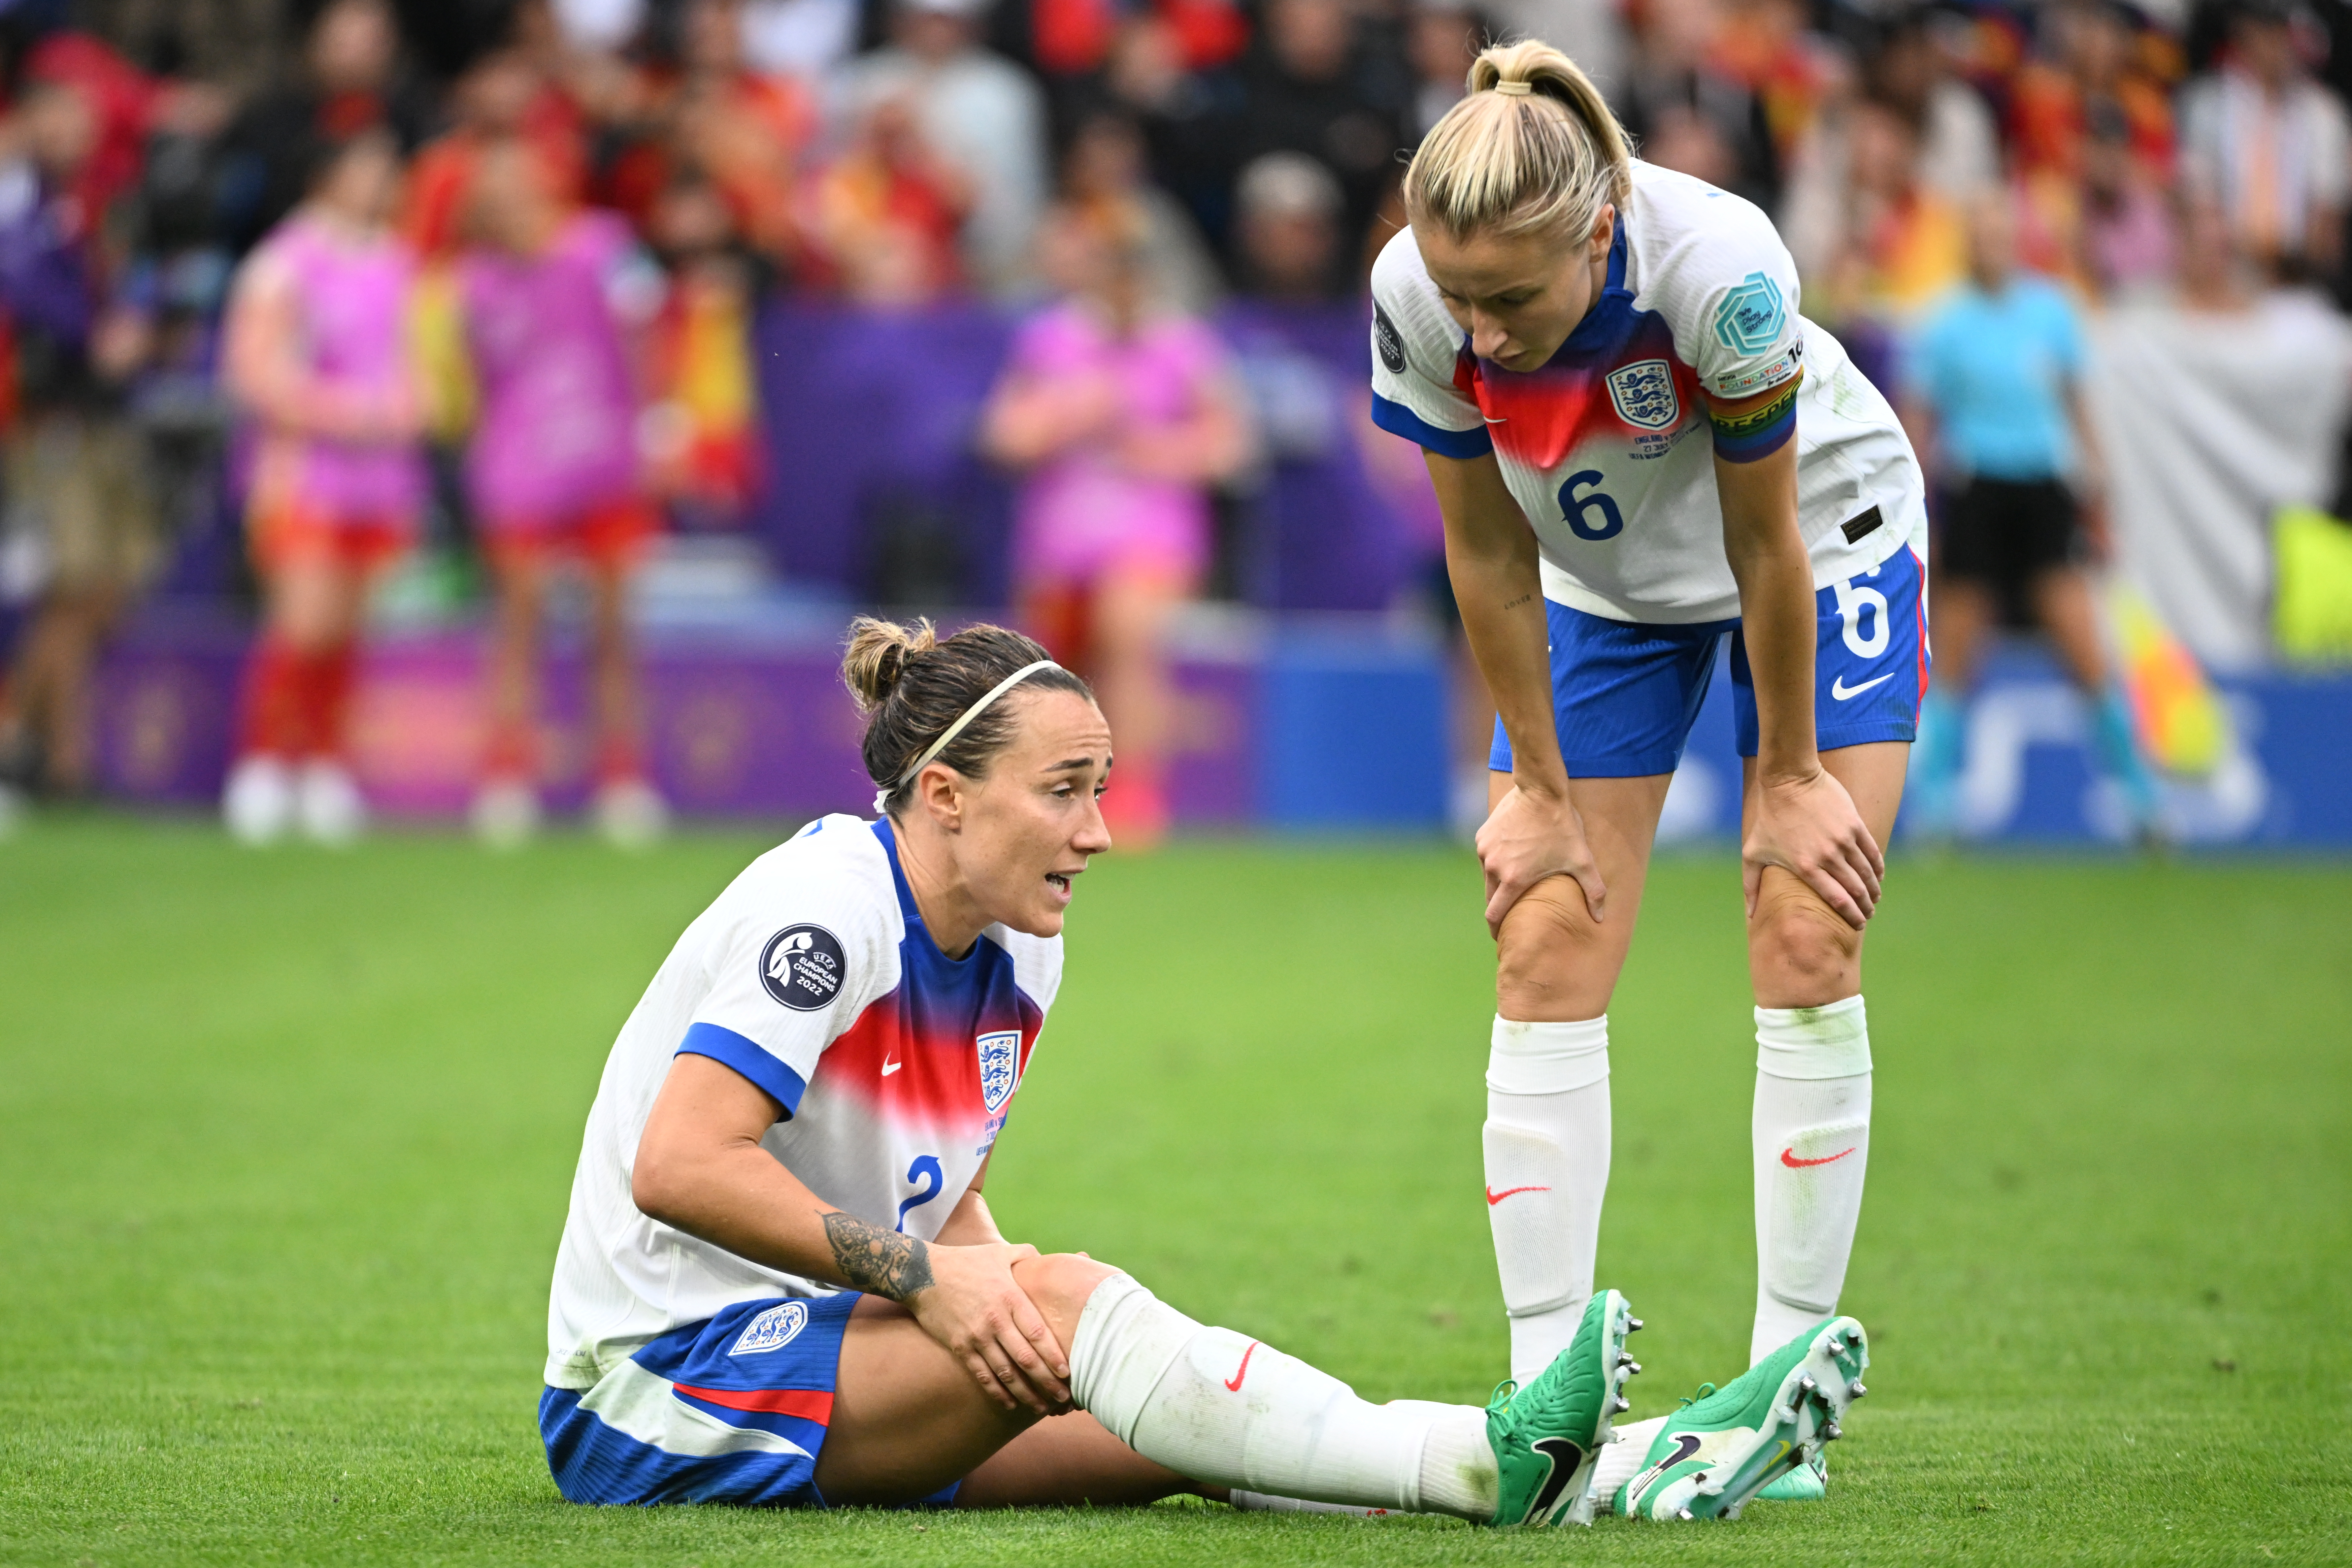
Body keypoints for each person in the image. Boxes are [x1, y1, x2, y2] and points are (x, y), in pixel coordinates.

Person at [538, 615, 1872, 1522]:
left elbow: (943, 1200)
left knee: (1161, 1420)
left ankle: (1620, 1470)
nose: (1100, 832)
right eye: (1065, 789)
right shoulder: (829, 904)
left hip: (819, 1351)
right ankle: (1508, 1456)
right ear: (944, 794)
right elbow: (680, 1165)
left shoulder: (1020, 943)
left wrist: (988, 1284)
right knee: (1079, 1320)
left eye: (1103, 788)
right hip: (656, 1390)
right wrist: (954, 1286)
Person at [1367, 39, 1918, 1508]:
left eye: (1512, 299)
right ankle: (1549, 1405)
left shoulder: (1720, 269)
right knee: (1543, 933)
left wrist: (1787, 769)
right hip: (1602, 588)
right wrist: (1538, 792)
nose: (1475, 332)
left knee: (1807, 915)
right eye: (1457, 297)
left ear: (1598, 227)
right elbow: (1483, 551)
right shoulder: (1413, 292)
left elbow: (1767, 547)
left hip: (1823, 541)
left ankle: (1780, 1405)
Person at [978, 205, 1252, 846]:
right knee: (1050, 667)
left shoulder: (1185, 347)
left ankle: (1133, 791)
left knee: (1127, 630)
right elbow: (1004, 437)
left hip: (1153, 534)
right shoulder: (1051, 340)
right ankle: (1047, 795)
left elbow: (1230, 448)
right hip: (1059, 539)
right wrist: (1071, 413)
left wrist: (1157, 451)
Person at [1904, 193, 2163, 840]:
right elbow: (1919, 426)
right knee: (1958, 651)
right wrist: (1913, 510)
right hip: (1978, 491)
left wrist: (2098, 494)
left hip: (2044, 492)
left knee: (2084, 645)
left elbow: (2079, 409)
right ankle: (1936, 810)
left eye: (2004, 232)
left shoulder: (2052, 312)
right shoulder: (1942, 325)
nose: (1994, 244)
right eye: (1983, 232)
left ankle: (2143, 803)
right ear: (1968, 242)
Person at [456, 138, 670, 849]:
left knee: (612, 628)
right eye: (493, 202)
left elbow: (649, 331)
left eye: (517, 192)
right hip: (519, 471)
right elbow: (477, 379)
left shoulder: (605, 248)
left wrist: (656, 421)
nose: (506, 210)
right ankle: (507, 777)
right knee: (519, 622)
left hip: (606, 460)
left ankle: (620, 779)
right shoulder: (475, 283)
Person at [217, 127, 426, 845]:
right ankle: (264, 766)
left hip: (380, 478)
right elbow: (254, 372)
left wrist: (416, 405)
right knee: (300, 626)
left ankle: (326, 769)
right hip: (301, 472)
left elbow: (421, 362)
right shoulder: (283, 264)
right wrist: (349, 412)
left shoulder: (400, 261)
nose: (380, 182)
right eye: (366, 168)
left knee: (347, 632)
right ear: (327, 177)